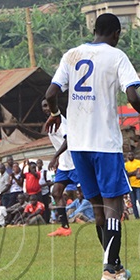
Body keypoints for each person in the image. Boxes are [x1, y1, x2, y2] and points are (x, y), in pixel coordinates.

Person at [45, 12, 140, 280]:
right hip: (105, 145)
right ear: (117, 33)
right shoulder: (116, 56)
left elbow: (51, 94)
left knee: (98, 210)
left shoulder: (71, 55)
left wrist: (56, 115)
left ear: (94, 30)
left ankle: (115, 266)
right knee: (113, 209)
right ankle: (109, 272)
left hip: (79, 144)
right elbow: (132, 94)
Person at [41, 98, 79, 237]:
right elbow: (59, 143)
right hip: (64, 164)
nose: (46, 108)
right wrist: (59, 159)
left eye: (48, 105)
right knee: (56, 192)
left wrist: (55, 156)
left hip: (75, 162)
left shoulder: (60, 121)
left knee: (88, 194)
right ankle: (65, 227)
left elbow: (69, 140)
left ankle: (115, 213)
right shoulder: (50, 122)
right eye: (44, 106)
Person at [124, 150, 140, 218]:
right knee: (133, 202)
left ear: (134, 155)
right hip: (131, 185)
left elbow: (138, 171)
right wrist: (133, 173)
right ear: (127, 156)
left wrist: (131, 173)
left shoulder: (138, 162)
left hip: (138, 184)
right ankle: (137, 217)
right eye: (129, 155)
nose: (130, 156)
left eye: (131, 155)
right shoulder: (126, 164)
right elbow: (126, 174)